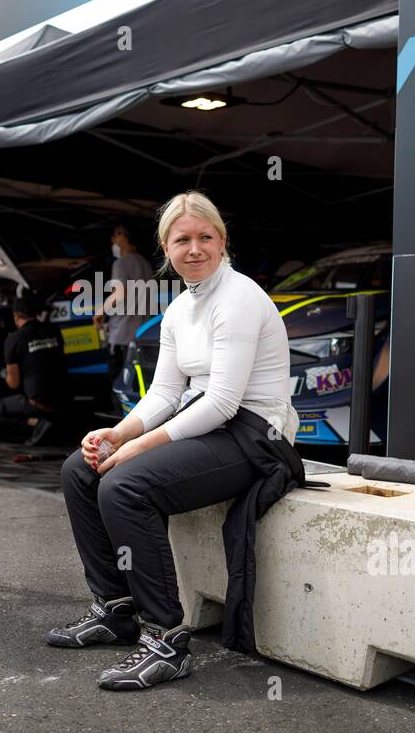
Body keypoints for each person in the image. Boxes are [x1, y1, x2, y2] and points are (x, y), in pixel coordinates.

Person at [51, 191, 303, 690]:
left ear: (222, 241)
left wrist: (138, 449)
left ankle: (165, 639)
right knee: (80, 469)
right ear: (165, 248)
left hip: (256, 434)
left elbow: (224, 402)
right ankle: (115, 609)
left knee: (124, 484)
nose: (194, 249)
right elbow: (167, 391)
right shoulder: (178, 310)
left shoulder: (239, 298)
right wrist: (116, 434)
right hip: (206, 422)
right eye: (181, 239)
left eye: (205, 237)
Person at [0, 293, 69, 444]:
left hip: (37, 404)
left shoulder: (13, 340)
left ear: (16, 316)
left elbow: (13, 384)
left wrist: (5, 373)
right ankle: (50, 423)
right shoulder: (54, 330)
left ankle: (35, 423)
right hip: (63, 400)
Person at [93, 223, 154, 386]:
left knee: (118, 382)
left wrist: (100, 312)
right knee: (136, 384)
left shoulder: (121, 264)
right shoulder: (146, 264)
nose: (113, 240)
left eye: (115, 235)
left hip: (121, 336)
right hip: (141, 334)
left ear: (124, 236)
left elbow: (119, 293)